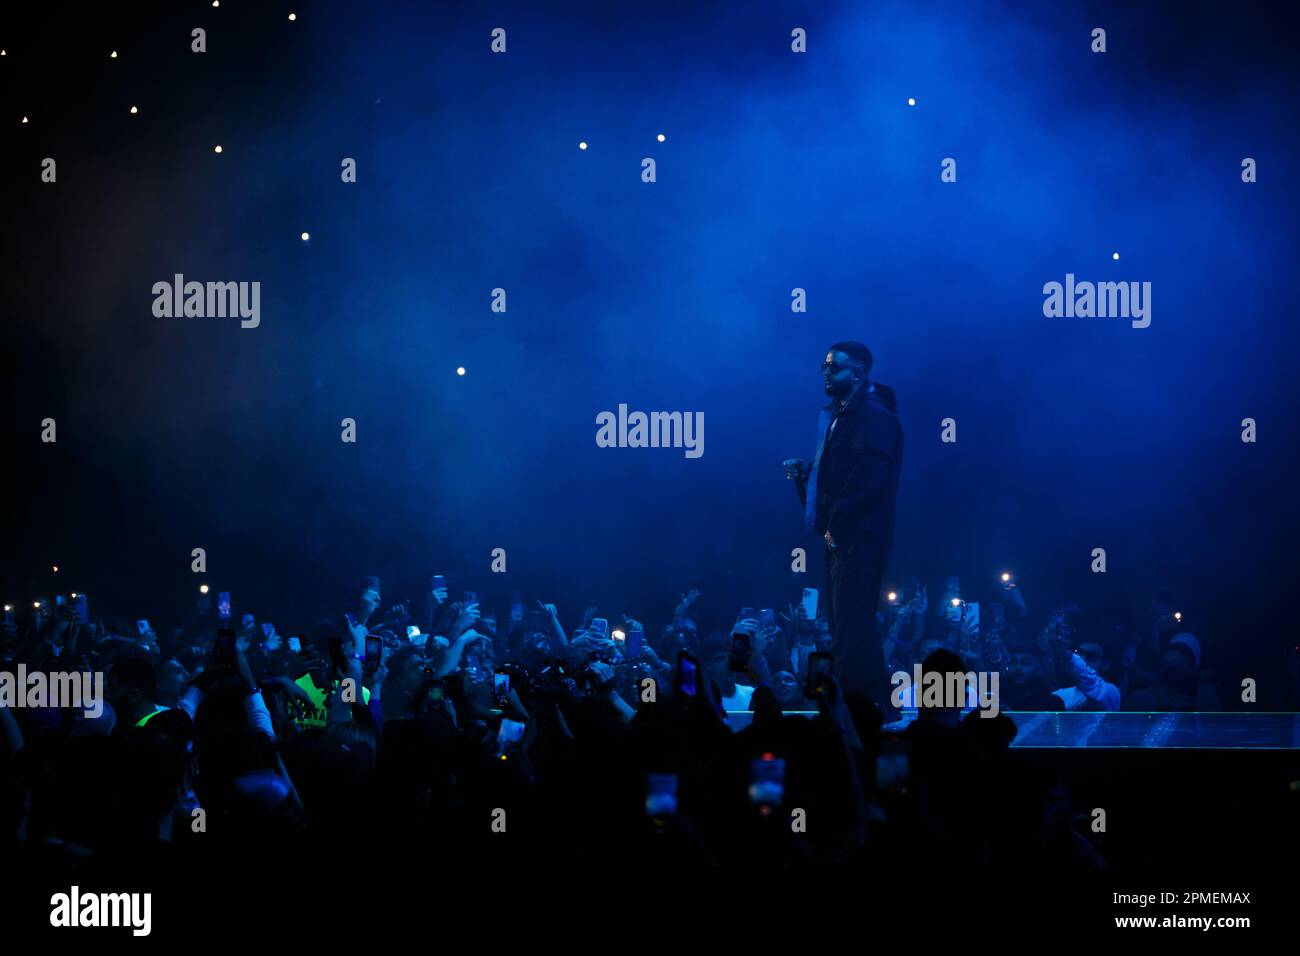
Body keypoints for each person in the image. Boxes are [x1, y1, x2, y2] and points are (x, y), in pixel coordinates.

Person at [784, 341, 903, 711]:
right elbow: (845, 477)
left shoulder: (875, 416)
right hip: (844, 534)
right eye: (824, 365)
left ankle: (871, 708)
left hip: (859, 535)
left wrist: (838, 519)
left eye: (834, 367)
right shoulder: (843, 415)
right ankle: (862, 707)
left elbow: (873, 481)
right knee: (843, 626)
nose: (826, 372)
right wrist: (810, 476)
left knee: (854, 626)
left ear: (859, 372)